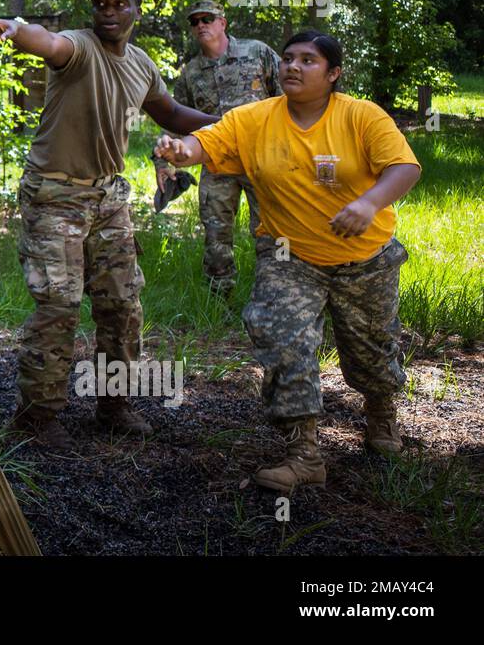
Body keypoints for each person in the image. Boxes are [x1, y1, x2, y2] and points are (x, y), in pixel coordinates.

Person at [154, 30, 421, 491]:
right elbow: (206, 144)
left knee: (371, 356)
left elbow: (404, 167)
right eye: (289, 59)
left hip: (365, 260)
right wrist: (182, 151)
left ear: (333, 74)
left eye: (308, 61)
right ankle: (305, 455)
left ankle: (381, 415)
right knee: (283, 340)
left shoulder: (361, 116)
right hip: (289, 257)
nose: (293, 67)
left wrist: (368, 203)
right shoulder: (255, 118)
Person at [0, 0, 218, 449]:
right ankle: (37, 416)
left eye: (119, 4)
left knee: (122, 304)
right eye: (101, 3)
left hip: (109, 199)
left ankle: (114, 404)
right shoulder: (79, 47)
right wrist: (16, 30)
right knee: (58, 305)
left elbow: (168, 113)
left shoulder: (141, 64)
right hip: (55, 195)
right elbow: (49, 44)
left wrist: (232, 124)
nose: (109, 11)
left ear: (136, 9)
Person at [166, 0, 281, 295]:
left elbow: (289, 96)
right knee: (216, 233)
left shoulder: (257, 52)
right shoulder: (191, 72)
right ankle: (219, 298)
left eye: (208, 18)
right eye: (195, 21)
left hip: (262, 159)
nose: (201, 24)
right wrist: (164, 161)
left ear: (223, 22)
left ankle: (275, 293)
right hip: (216, 161)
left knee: (272, 230)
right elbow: (177, 119)